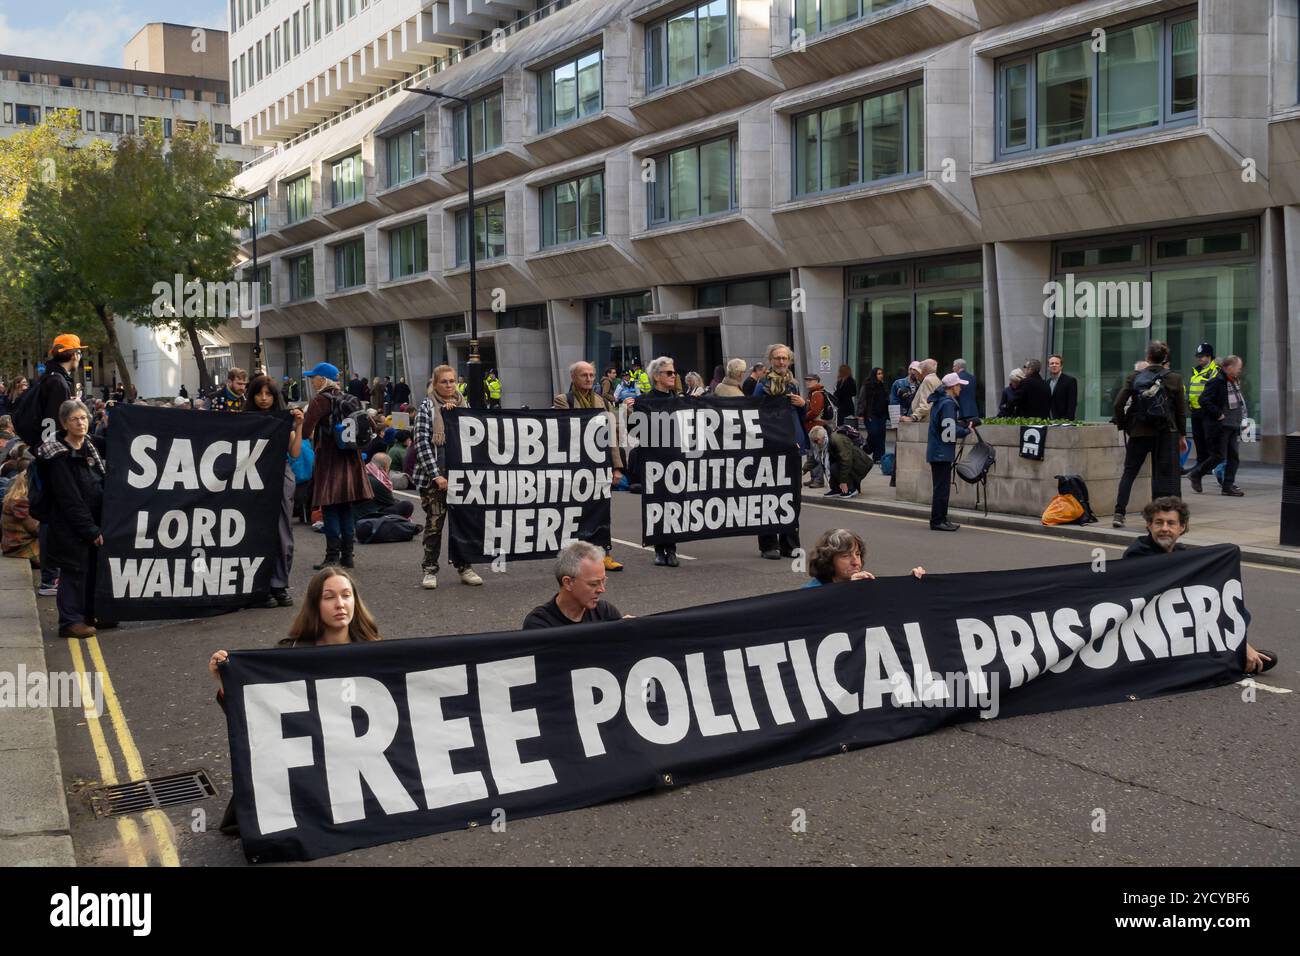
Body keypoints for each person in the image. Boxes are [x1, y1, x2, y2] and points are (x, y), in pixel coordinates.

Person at [1123, 496, 1276, 674]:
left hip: (1174, 616)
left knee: (1222, 601)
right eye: (1159, 522)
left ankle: (1237, 649)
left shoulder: (1181, 554)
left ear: (1182, 528)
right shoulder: (1138, 555)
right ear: (1149, 526)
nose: (1164, 528)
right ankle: (1234, 655)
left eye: (1171, 523)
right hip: (1149, 623)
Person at [209, 568, 382, 695]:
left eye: (346, 595)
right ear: (314, 605)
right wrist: (227, 680)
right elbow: (257, 709)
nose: (340, 604)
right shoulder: (289, 654)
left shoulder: (375, 650)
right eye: (329, 597)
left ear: (355, 601)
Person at [36, 400, 105, 638]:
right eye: (74, 419)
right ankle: (70, 622)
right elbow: (69, 498)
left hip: (91, 520)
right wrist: (89, 529)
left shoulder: (90, 446)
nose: (81, 422)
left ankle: (88, 614)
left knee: (91, 570)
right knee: (74, 572)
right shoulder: (58, 456)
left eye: (84, 418)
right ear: (64, 423)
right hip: (69, 525)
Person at [412, 364, 483, 589]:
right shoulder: (427, 407)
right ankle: (430, 569)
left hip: (461, 476)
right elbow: (422, 442)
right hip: (436, 476)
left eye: (452, 381)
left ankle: (465, 567)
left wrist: (456, 416)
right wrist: (436, 475)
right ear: (435, 383)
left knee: (462, 523)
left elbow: (475, 436)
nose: (449, 385)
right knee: (435, 525)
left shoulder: (464, 406)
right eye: (444, 381)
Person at [554, 361, 626, 572]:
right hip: (574, 466)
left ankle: (604, 553)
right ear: (573, 378)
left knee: (601, 511)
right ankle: (574, 558)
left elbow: (612, 437)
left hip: (600, 466)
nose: (589, 379)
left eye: (592, 375)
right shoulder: (563, 400)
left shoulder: (602, 402)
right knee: (575, 513)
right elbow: (565, 432)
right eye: (584, 375)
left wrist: (617, 467)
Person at [301, 362, 372, 570]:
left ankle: (332, 556)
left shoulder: (319, 400)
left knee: (330, 507)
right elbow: (368, 425)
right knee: (346, 508)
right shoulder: (351, 398)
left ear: (323, 379)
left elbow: (305, 432)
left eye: (314, 377)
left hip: (330, 460)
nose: (312, 381)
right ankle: (348, 555)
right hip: (352, 459)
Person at [1111, 341, 1187, 528]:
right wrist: (1182, 435)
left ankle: (1119, 513)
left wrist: (1123, 425)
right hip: (1166, 433)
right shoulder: (1175, 378)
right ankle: (1159, 518)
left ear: (1148, 358)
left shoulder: (1134, 377)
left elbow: (1118, 404)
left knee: (1129, 472)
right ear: (1165, 359)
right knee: (1163, 476)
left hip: (1139, 432)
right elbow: (1180, 411)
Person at [243, 375, 304, 607]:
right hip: (252, 477)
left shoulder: (282, 420)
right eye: (259, 393)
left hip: (279, 475)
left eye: (269, 394)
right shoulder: (244, 419)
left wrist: (299, 426)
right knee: (254, 531)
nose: (264, 398)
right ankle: (261, 585)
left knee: (282, 532)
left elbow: (295, 452)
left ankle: (279, 584)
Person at [752, 344, 805, 560]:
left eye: (785, 358)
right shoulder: (762, 384)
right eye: (777, 358)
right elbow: (752, 412)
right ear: (770, 361)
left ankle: (789, 543)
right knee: (768, 496)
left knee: (792, 496)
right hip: (769, 447)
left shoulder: (794, 384)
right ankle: (768, 544)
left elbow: (799, 417)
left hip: (792, 446)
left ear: (790, 361)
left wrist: (802, 404)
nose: (781, 362)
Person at [523, 541, 633, 628]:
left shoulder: (606, 612)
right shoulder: (539, 623)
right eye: (593, 584)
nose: (602, 589)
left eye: (603, 581)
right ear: (568, 583)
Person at [642, 356, 685, 567]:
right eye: (669, 373)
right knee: (657, 505)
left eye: (674, 372)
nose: (673, 376)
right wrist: (632, 413)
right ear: (657, 376)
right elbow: (635, 432)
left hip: (676, 460)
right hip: (654, 461)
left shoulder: (679, 399)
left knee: (674, 505)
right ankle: (659, 549)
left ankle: (672, 548)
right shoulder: (645, 400)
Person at [1187, 355, 1245, 497]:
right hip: (1221, 426)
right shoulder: (1217, 381)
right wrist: (1218, 414)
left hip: (1232, 425)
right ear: (1229, 367)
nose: (1240, 370)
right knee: (1218, 456)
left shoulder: (1234, 381)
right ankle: (1196, 474)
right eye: (1238, 367)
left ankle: (1228, 486)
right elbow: (1203, 400)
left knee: (1233, 457)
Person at [804, 528, 925, 587]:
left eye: (857, 554)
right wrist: (849, 591)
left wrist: (910, 584)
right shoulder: (810, 592)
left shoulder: (864, 583)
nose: (855, 562)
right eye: (845, 556)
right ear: (828, 560)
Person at [927, 373, 970, 532]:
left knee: (941, 487)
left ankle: (941, 519)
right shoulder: (947, 404)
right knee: (942, 488)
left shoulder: (941, 401)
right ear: (952, 387)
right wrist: (966, 430)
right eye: (959, 385)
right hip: (941, 452)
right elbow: (948, 431)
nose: (961, 388)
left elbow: (946, 425)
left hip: (938, 450)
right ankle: (938, 521)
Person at [1184, 342, 1220, 472]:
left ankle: (1209, 466)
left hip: (1207, 411)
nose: (1199, 358)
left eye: (1203, 356)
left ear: (1210, 356)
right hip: (1195, 410)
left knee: (1208, 439)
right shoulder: (1196, 371)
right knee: (1198, 438)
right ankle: (1200, 464)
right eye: (1198, 356)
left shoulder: (1214, 371)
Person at [808, 425, 868, 499]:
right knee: (833, 465)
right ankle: (836, 489)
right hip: (851, 461)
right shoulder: (825, 442)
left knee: (835, 467)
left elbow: (846, 461)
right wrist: (803, 469)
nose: (815, 443)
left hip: (860, 463)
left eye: (816, 440)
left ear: (822, 437)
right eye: (813, 441)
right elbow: (815, 458)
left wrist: (843, 482)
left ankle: (851, 489)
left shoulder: (837, 439)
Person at [2, 452, 40, 567]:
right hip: (21, 547)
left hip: (15, 545)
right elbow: (35, 530)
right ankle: (49, 582)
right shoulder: (20, 503)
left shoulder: (13, 499)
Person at [356, 452, 416, 519]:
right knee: (407, 505)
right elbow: (390, 502)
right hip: (367, 514)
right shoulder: (379, 482)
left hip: (356, 511)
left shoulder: (363, 472)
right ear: (385, 467)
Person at [802, 373, 831, 487]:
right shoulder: (812, 393)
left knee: (816, 455)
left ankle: (818, 480)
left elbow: (814, 412)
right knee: (810, 454)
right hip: (811, 427)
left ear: (817, 381)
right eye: (806, 380)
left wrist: (802, 416)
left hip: (815, 428)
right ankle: (814, 477)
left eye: (810, 380)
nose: (808, 382)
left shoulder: (817, 394)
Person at [857, 366, 889, 461]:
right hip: (871, 414)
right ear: (874, 375)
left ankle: (879, 457)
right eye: (878, 374)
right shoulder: (867, 386)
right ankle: (868, 447)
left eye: (881, 374)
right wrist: (861, 413)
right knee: (873, 433)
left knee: (881, 435)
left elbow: (887, 398)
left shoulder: (883, 386)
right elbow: (862, 400)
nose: (881, 376)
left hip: (882, 414)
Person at [1046, 354, 1078, 421]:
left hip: (1064, 421)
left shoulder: (1070, 380)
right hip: (1050, 420)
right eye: (1052, 363)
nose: (1054, 365)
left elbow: (1072, 403)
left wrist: (1068, 421)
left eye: (1057, 363)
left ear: (1061, 366)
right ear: (1048, 367)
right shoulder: (1047, 382)